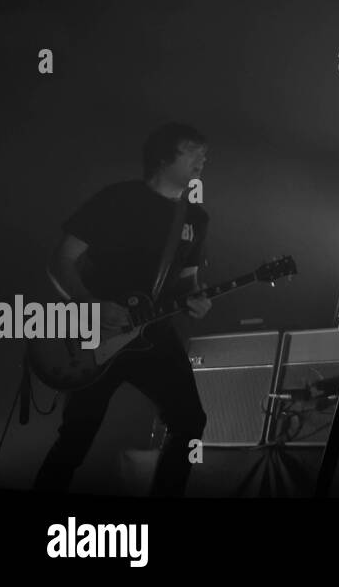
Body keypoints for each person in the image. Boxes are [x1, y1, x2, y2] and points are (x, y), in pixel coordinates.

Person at [33, 122, 212, 496]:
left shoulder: (195, 218)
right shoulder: (117, 199)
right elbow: (62, 261)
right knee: (76, 437)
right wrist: (91, 306)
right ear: (164, 157)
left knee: (190, 421)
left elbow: (187, 281)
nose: (202, 160)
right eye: (191, 152)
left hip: (153, 333)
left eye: (204, 153)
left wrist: (197, 300)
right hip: (99, 332)